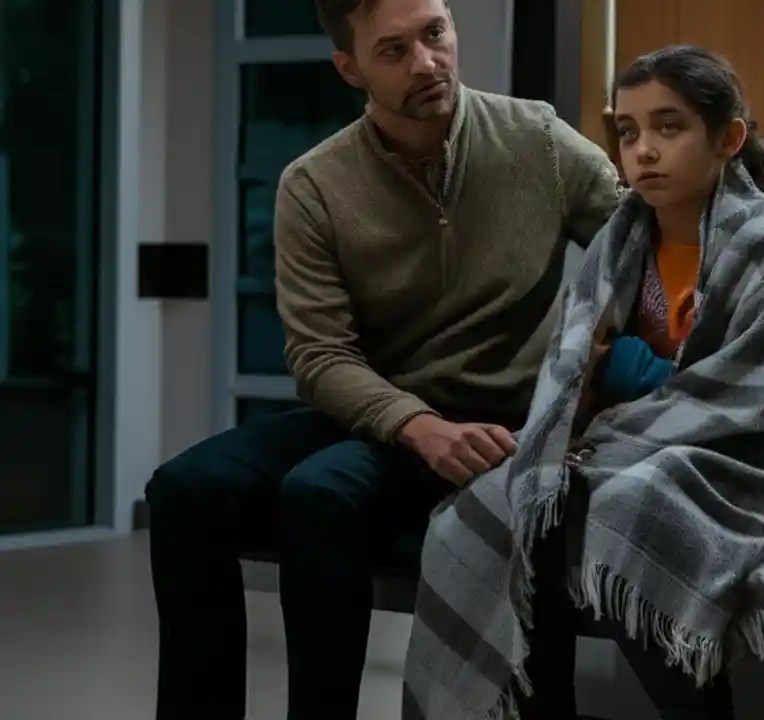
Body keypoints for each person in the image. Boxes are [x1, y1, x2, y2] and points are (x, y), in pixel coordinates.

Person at [142, 1, 622, 718]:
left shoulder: (538, 139)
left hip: (497, 412)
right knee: (180, 491)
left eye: (435, 34)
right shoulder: (314, 185)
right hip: (378, 409)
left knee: (318, 495)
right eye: (392, 51)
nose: (426, 63)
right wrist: (416, 425)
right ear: (350, 68)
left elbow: (642, 242)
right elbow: (319, 353)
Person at [402, 45, 764, 720]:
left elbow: (756, 398)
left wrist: (629, 377)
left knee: (633, 503)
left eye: (670, 127)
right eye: (628, 132)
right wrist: (612, 392)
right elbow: (575, 378)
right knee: (500, 499)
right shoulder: (618, 239)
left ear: (729, 139)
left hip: (746, 472)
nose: (644, 150)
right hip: (629, 455)